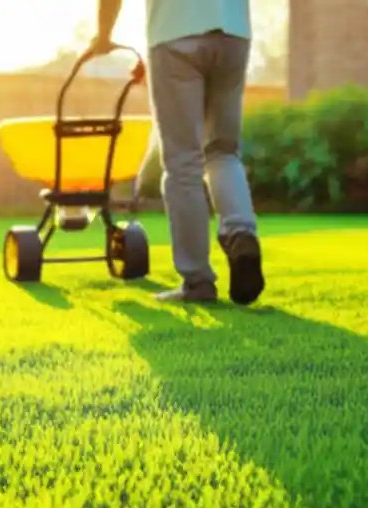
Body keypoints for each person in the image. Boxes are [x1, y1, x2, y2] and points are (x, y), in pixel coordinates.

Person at [88, 0, 264, 305]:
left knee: (183, 161)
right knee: (223, 150)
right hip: (234, 31)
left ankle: (198, 281)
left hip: (175, 32)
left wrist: (103, 35)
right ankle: (240, 234)